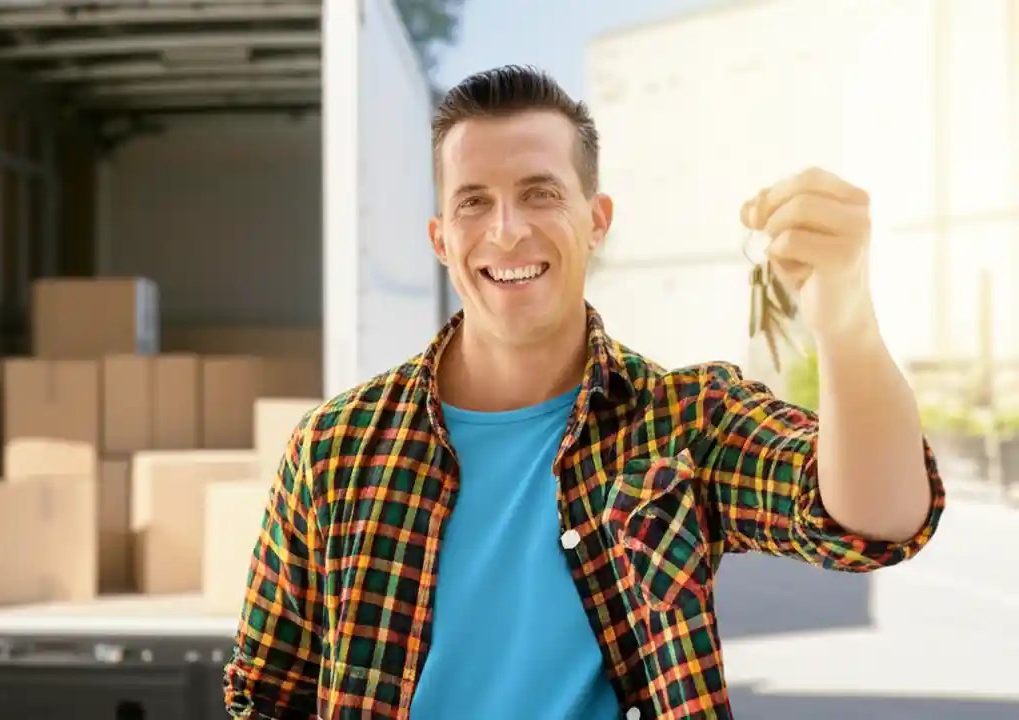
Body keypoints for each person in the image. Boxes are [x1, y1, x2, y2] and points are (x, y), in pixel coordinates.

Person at [221, 65, 944, 720]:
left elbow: (873, 522)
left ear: (596, 220)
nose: (506, 232)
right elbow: (268, 690)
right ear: (441, 239)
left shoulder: (680, 420)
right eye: (475, 202)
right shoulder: (335, 448)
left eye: (540, 194)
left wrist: (846, 322)